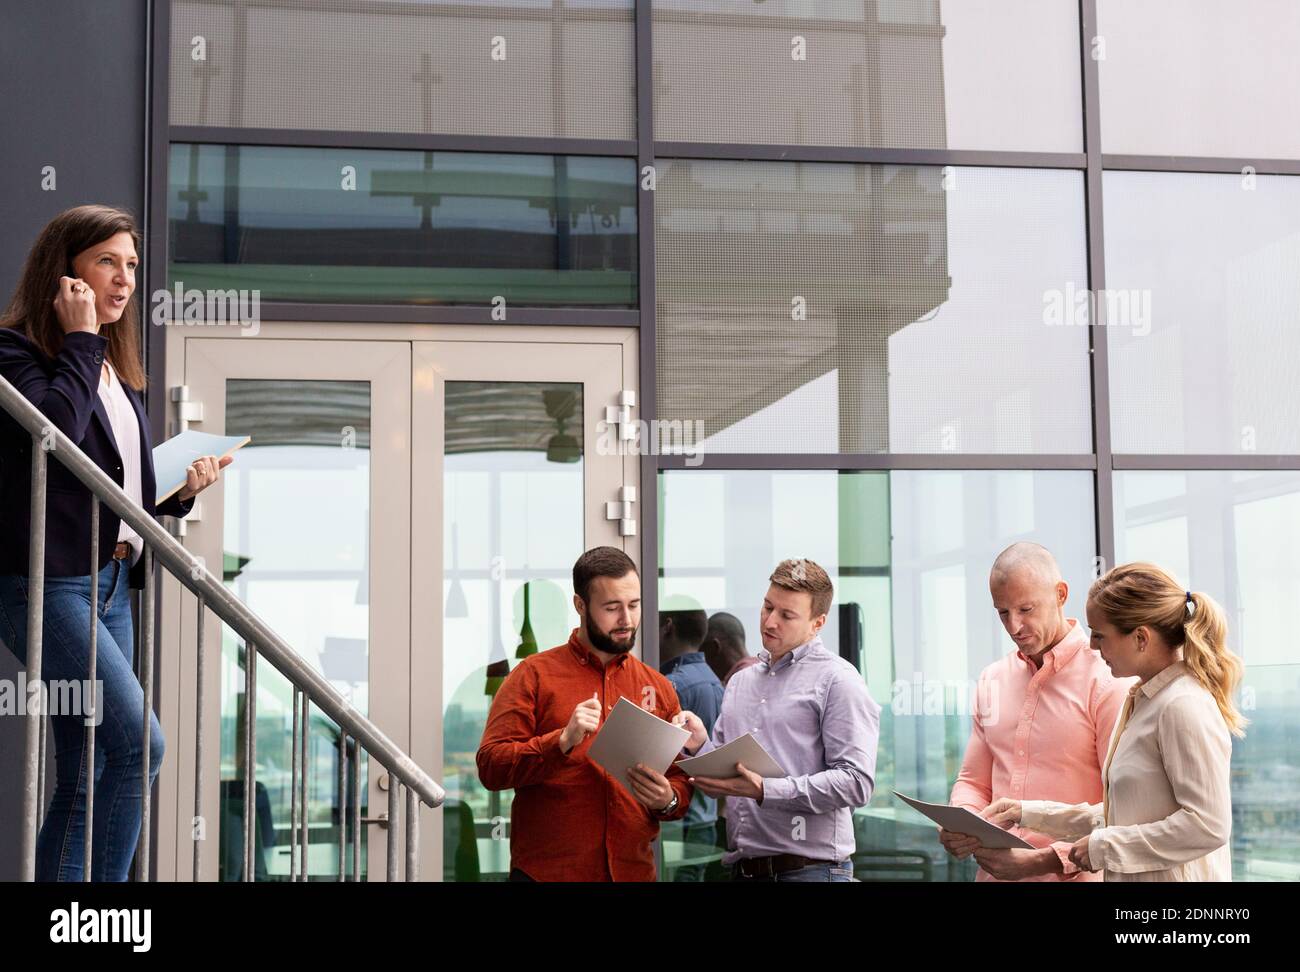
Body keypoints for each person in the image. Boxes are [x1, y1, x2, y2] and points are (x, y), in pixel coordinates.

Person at [0, 205, 227, 881]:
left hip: (111, 583)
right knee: (139, 745)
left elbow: (115, 489)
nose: (124, 279)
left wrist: (179, 489)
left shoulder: (114, 374)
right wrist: (80, 336)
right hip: (48, 582)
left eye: (131, 264)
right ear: (63, 271)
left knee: (92, 761)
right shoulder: (18, 351)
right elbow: (55, 436)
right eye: (106, 261)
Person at [980, 563, 1244, 881]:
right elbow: (1124, 816)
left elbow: (1208, 825)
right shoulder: (1143, 700)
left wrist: (1099, 849)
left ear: (1141, 638)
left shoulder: (1182, 705)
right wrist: (1027, 812)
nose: (1092, 645)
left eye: (1100, 635)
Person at [476, 546, 692, 881]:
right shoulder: (533, 675)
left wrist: (667, 799)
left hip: (633, 873)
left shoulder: (658, 687)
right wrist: (560, 741)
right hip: (548, 874)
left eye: (634, 605)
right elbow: (491, 767)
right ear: (580, 606)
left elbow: (680, 782)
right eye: (611, 608)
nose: (627, 620)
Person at [677, 558, 880, 882]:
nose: (770, 622)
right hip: (743, 870)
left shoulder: (838, 680)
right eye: (767, 607)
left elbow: (857, 782)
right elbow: (726, 782)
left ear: (818, 623)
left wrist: (766, 790)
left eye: (787, 615)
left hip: (812, 872)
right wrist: (700, 745)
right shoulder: (740, 683)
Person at [940, 542, 1131, 882]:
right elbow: (973, 781)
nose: (1014, 626)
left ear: (1060, 594)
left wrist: (1044, 861)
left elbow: (1123, 811)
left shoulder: (1107, 681)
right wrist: (962, 823)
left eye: (1026, 609)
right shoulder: (992, 679)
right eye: (1003, 612)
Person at [658, 594, 725, 880]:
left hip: (679, 824)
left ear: (667, 626)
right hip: (705, 821)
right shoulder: (716, 681)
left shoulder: (671, 685)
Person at [702, 610, 758, 686]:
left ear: (713, 648)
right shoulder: (763, 670)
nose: (704, 663)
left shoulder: (737, 683)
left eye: (704, 654)